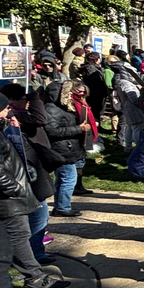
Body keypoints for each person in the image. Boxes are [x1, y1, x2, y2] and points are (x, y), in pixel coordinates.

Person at [0, 89, 69, 288]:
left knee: (11, 234)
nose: (9, 109)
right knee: (19, 234)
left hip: (1, 195)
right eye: (5, 106)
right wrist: (15, 189)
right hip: (3, 198)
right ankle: (33, 277)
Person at [44, 81, 91, 217]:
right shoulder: (51, 109)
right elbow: (52, 130)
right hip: (61, 150)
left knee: (65, 178)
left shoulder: (63, 107)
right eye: (68, 92)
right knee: (68, 178)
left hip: (68, 147)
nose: (71, 95)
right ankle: (62, 207)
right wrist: (79, 129)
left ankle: (61, 206)